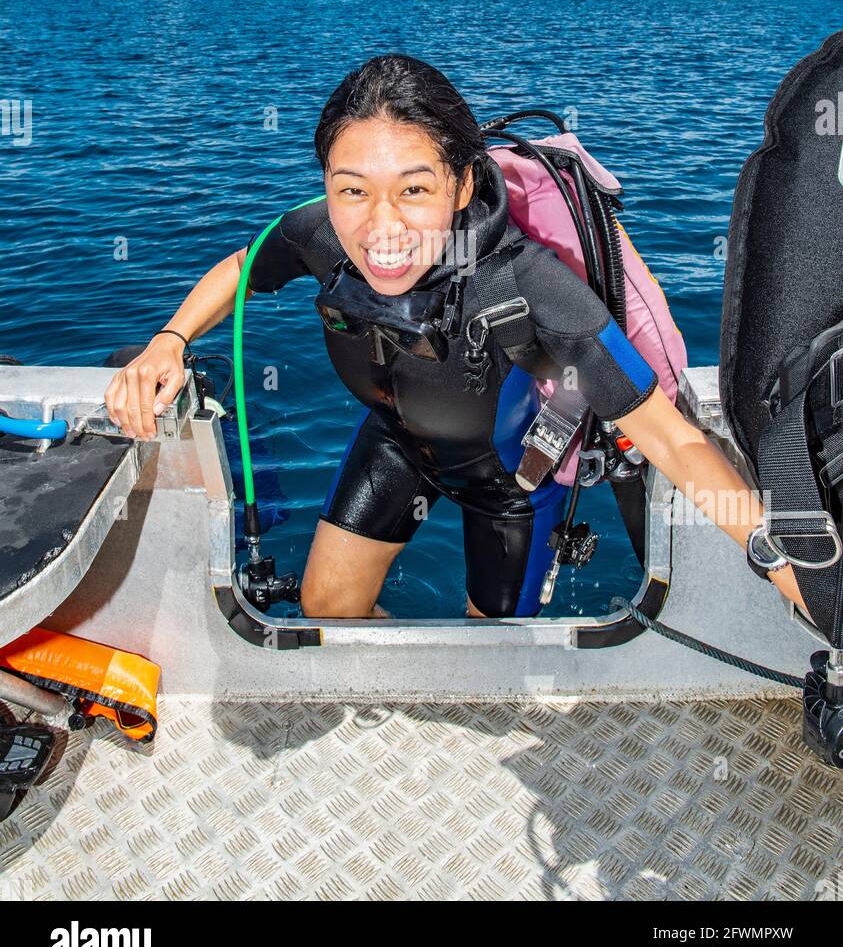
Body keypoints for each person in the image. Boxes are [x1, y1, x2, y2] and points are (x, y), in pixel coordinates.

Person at [104, 54, 812, 622]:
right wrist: (169, 340)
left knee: (488, 644)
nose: (379, 225)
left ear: (464, 183)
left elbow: (673, 440)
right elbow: (241, 266)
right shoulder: (321, 235)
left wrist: (780, 560)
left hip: (511, 480)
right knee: (326, 610)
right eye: (351, 189)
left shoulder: (530, 286)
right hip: (395, 446)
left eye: (413, 190)